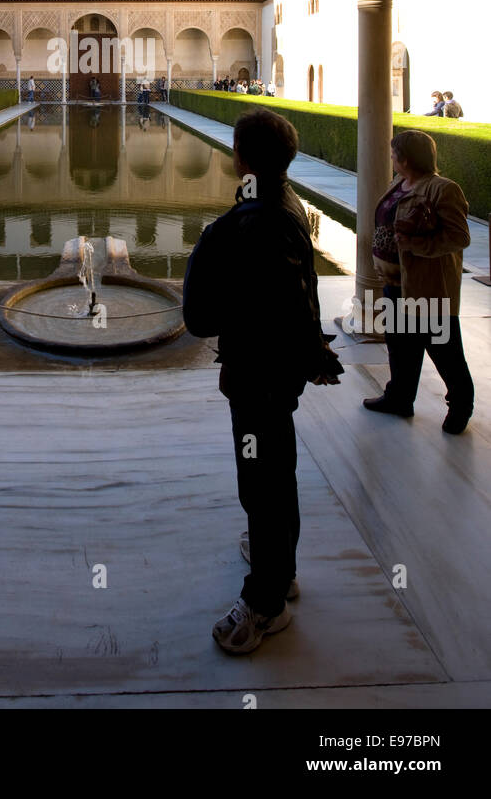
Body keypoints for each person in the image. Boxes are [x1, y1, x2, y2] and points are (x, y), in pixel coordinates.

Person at [183, 107, 343, 654]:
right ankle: (283, 570)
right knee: (279, 468)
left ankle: (265, 603)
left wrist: (207, 254)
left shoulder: (239, 227)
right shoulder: (290, 205)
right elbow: (299, 292)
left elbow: (199, 320)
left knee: (260, 480)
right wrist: (313, 350)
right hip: (282, 373)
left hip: (255, 374)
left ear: (241, 157)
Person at [364, 129, 473, 433]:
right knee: (400, 345)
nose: (390, 157)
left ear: (405, 158)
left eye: (393, 153)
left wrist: (415, 245)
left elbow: (459, 237)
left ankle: (461, 405)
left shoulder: (443, 189)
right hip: (397, 283)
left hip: (426, 286)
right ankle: (399, 397)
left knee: (443, 349)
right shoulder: (401, 183)